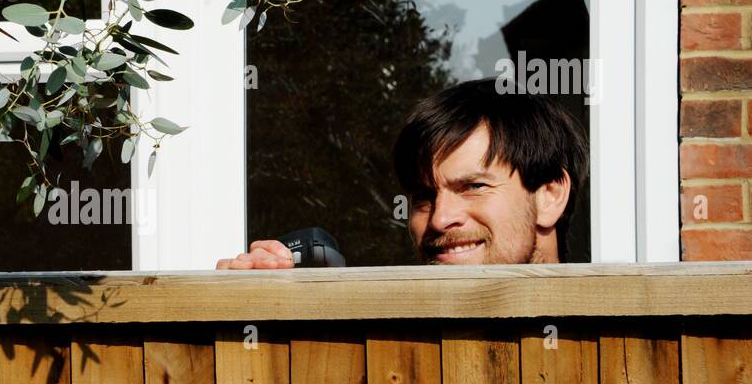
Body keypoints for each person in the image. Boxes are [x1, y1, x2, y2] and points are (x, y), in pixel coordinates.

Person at [215, 78, 590, 269]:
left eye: (474, 186)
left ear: (549, 196)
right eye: (424, 198)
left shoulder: (621, 352)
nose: (440, 219)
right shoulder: (387, 352)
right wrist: (264, 316)